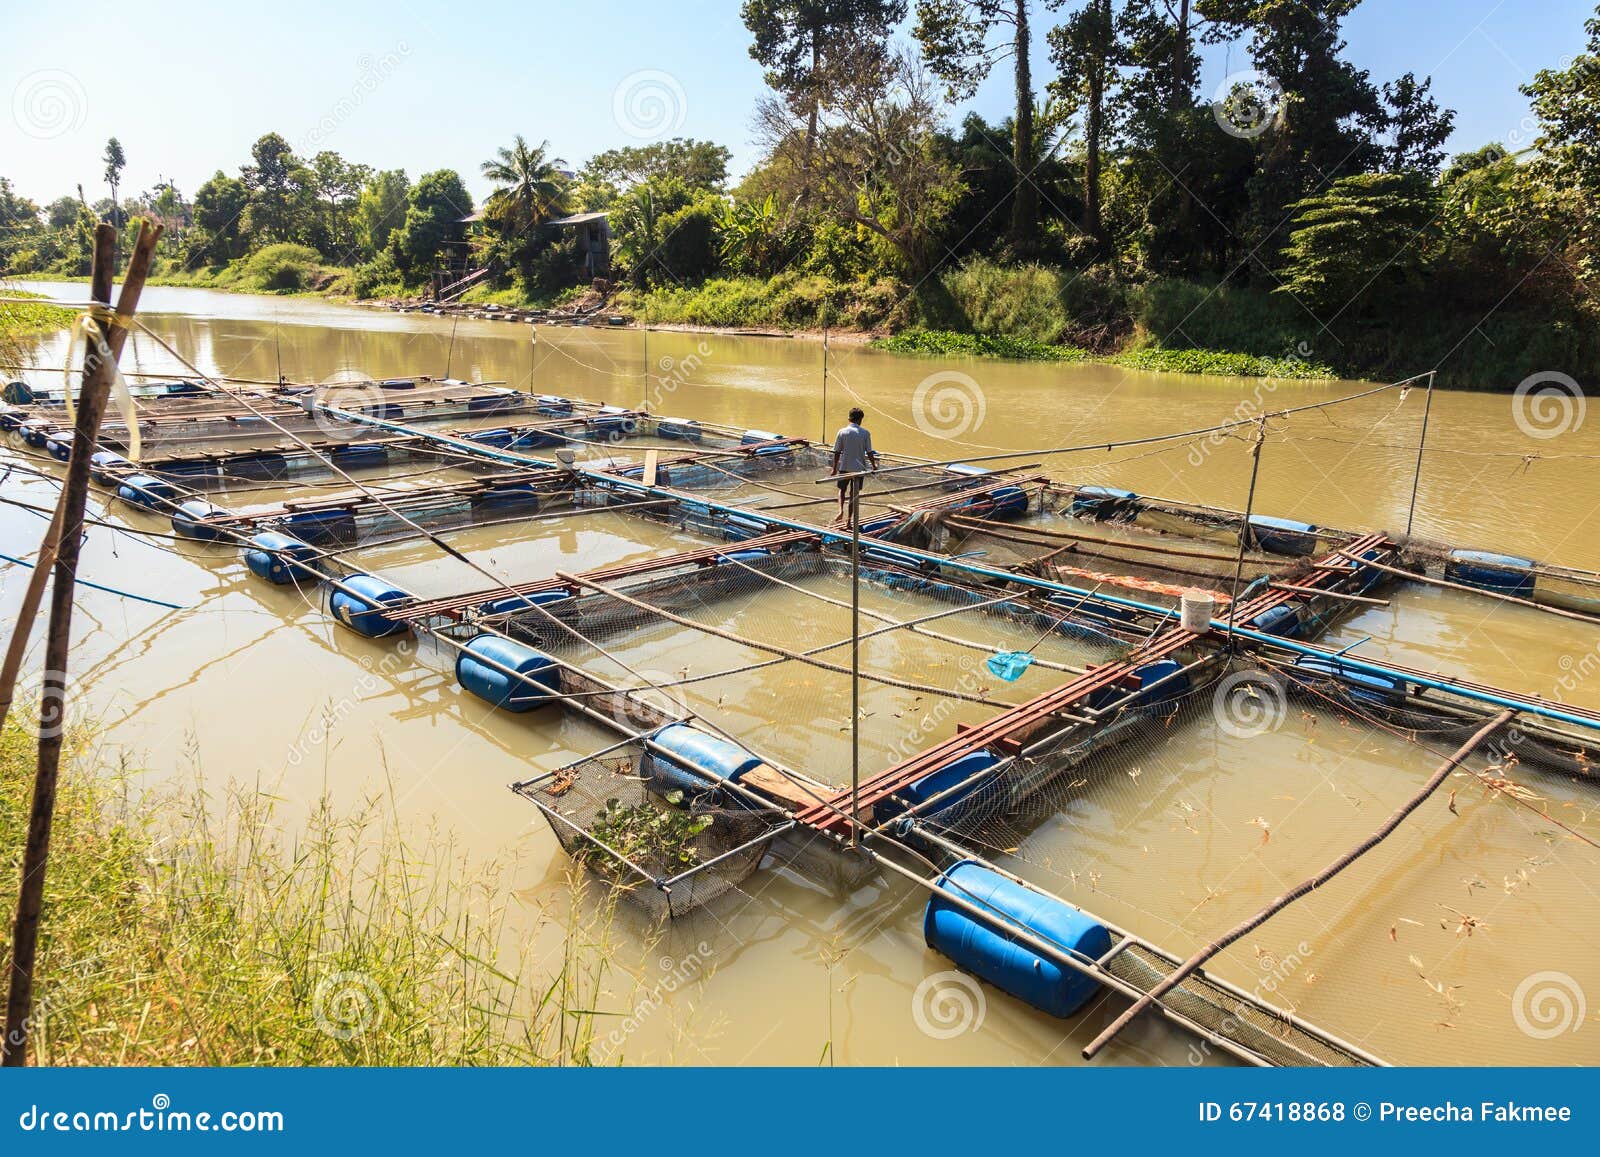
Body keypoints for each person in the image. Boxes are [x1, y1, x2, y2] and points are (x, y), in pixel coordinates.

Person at [831, 406, 879, 526]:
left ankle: (840, 511)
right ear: (860, 419)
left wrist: (834, 468)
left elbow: (837, 452)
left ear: (849, 418)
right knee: (854, 494)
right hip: (859, 469)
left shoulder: (842, 432)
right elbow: (869, 452)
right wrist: (874, 466)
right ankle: (849, 521)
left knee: (841, 490)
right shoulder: (865, 433)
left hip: (844, 466)